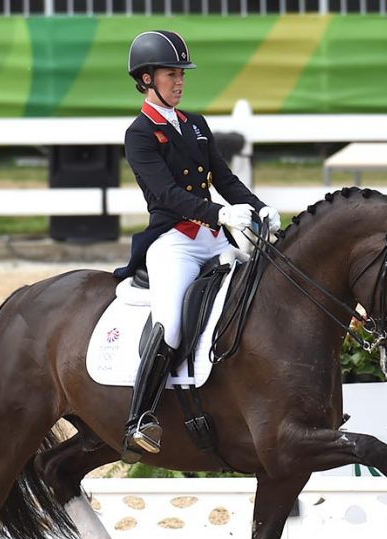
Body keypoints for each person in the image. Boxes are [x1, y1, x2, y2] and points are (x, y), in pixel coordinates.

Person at [115, 29, 282, 462]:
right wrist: (219, 214)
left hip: (213, 238)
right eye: (171, 74)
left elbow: (224, 180)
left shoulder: (195, 125)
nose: (179, 81)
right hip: (173, 242)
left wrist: (260, 208)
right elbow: (167, 194)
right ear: (147, 79)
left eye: (182, 74)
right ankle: (141, 418)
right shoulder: (140, 133)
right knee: (170, 323)